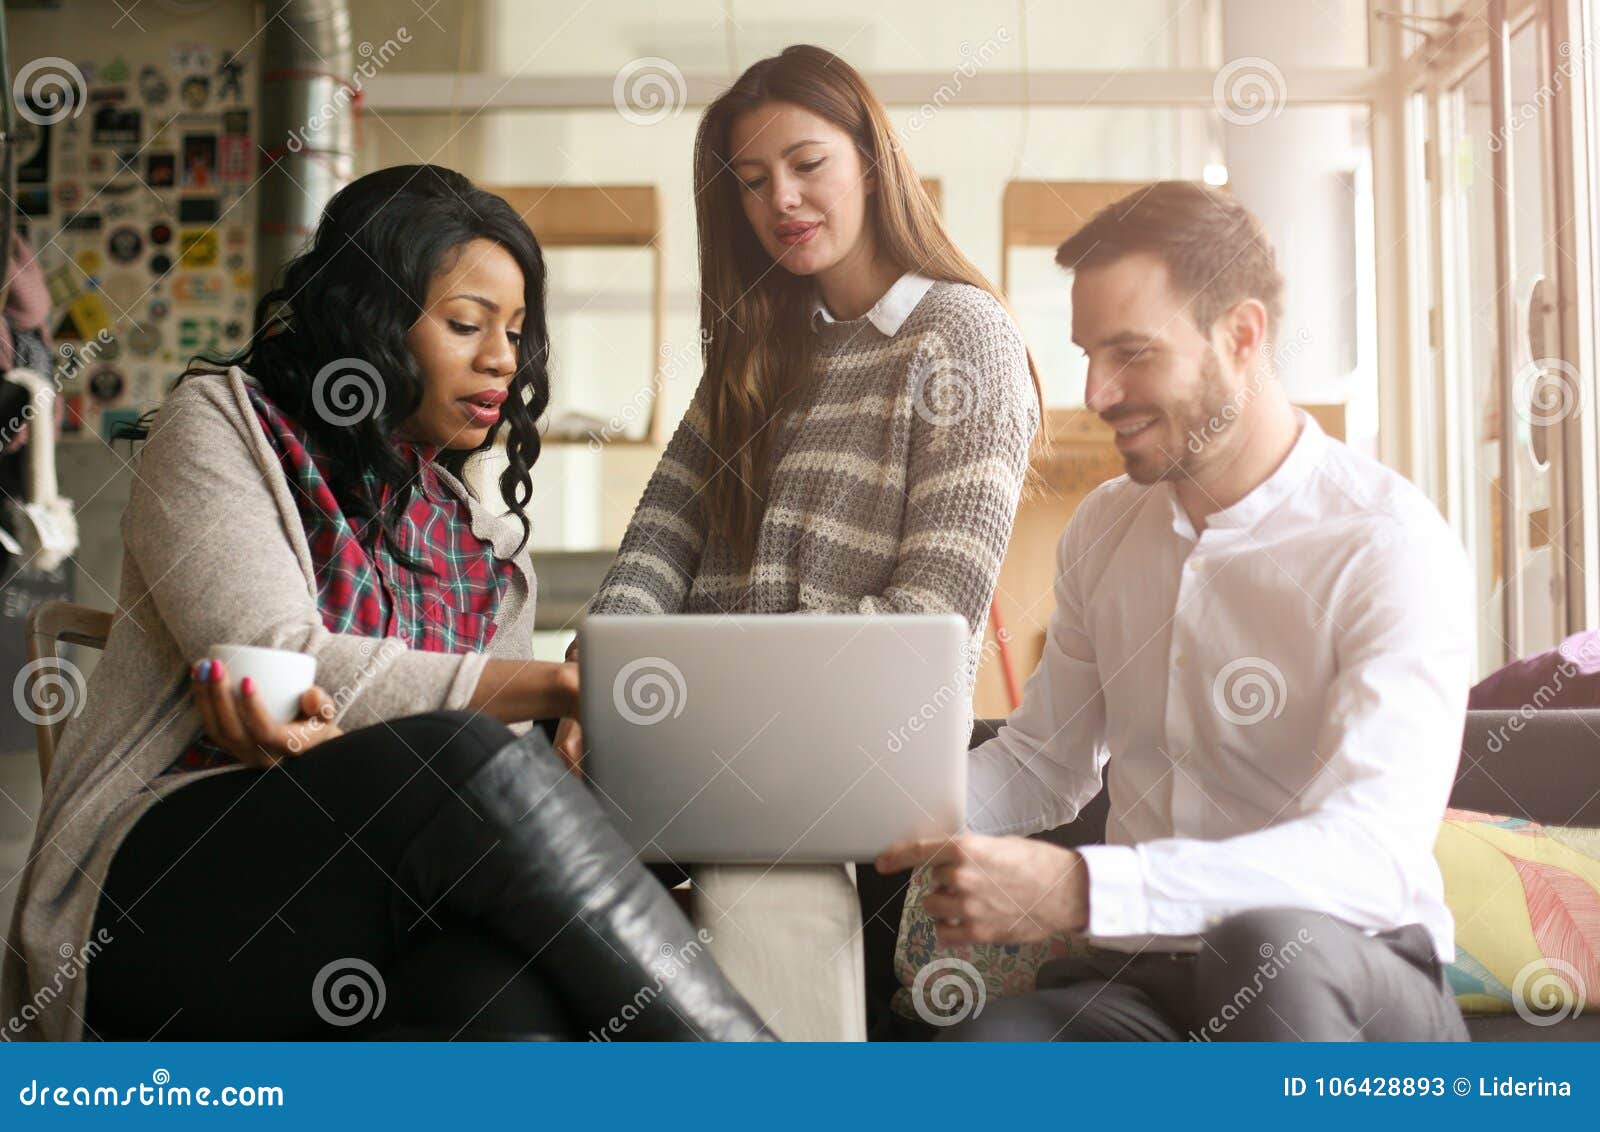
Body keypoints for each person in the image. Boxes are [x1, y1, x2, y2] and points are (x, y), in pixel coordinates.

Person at [1, 165, 770, 1042]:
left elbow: (450, 801)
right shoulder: (218, 427)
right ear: (369, 317)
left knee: (497, 995)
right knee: (461, 752)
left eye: (516, 333)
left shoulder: (482, 549)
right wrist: (560, 689)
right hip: (154, 906)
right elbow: (280, 662)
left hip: (360, 921)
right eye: (466, 324)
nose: (502, 359)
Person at [878, 181, 1473, 1042]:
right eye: (1087, 354)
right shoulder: (1106, 528)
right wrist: (863, 800)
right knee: (986, 1053)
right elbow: (1045, 762)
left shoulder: (1385, 543)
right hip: (1149, 982)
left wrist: (1083, 891)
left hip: (1347, 976)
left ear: (1241, 336)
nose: (1098, 391)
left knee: (1265, 946)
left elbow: (1372, 856)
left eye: (1131, 353)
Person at [553, 45, 1042, 1040]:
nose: (781, 198)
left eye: (807, 163)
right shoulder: (757, 346)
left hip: (848, 778)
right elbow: (656, 544)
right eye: (750, 180)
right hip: (699, 752)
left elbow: (928, 618)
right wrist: (597, 683)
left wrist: (694, 692)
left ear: (870, 158)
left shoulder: (961, 337)